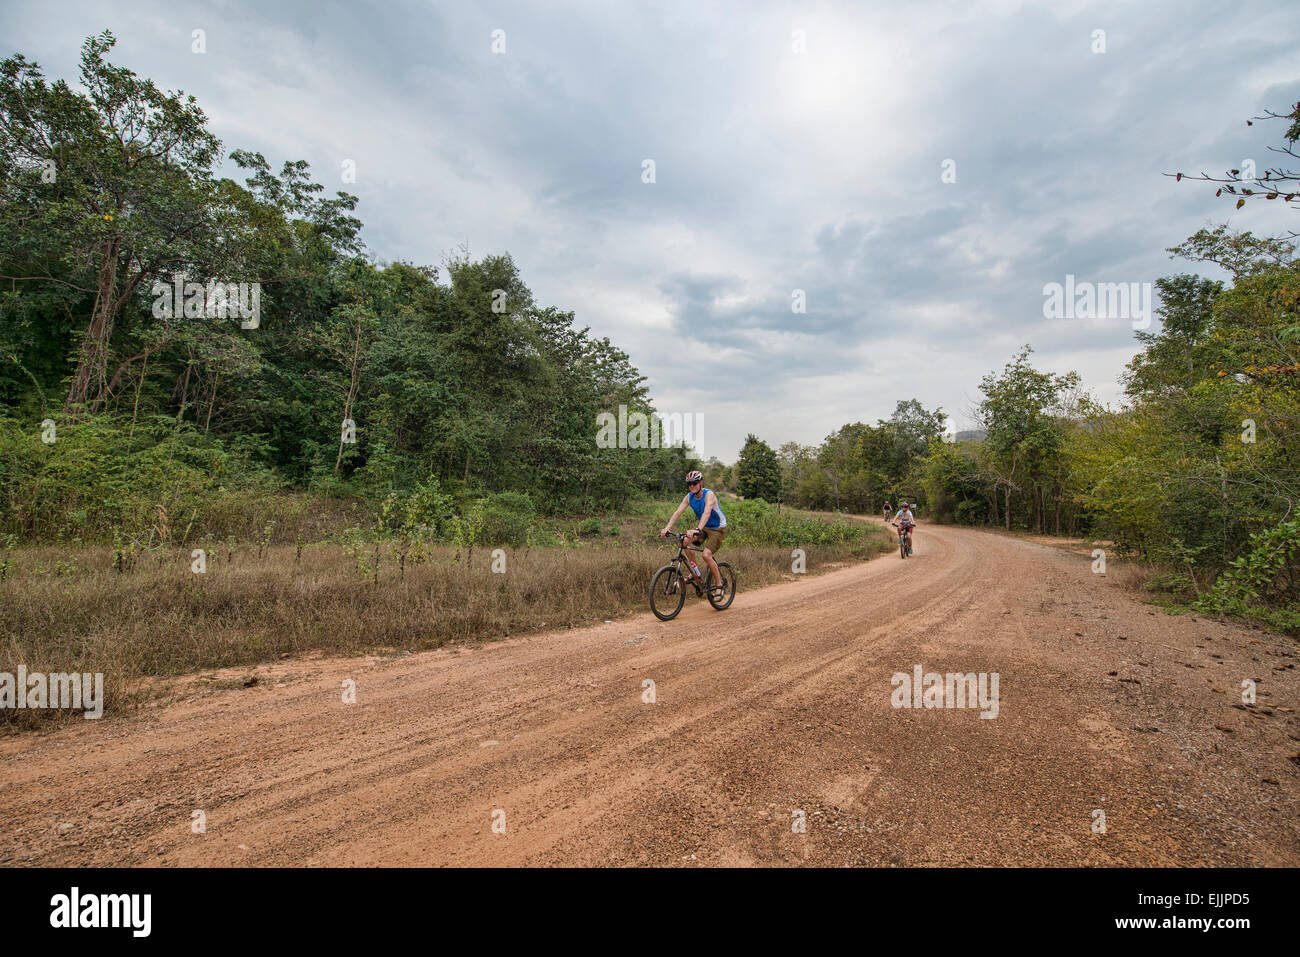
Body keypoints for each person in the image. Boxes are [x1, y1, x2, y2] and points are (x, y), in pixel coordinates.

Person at [661, 470, 728, 599]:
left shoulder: (709, 495)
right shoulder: (689, 497)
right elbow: (678, 512)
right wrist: (667, 528)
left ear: (700, 483)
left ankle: (719, 585)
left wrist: (697, 529)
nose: (692, 486)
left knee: (706, 555)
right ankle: (694, 572)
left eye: (694, 483)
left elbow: (707, 513)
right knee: (686, 541)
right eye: (689, 484)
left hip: (717, 528)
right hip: (704, 526)